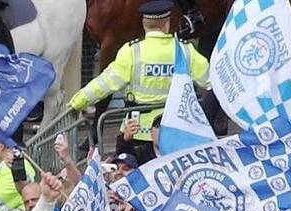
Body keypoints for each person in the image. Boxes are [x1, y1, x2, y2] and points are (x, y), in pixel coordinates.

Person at [69, 2, 210, 161]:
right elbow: (210, 81)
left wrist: (77, 101)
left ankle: (190, 10)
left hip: (136, 131)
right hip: (176, 127)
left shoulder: (131, 52)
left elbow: (104, 83)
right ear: (167, 24)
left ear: (144, 25)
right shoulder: (185, 50)